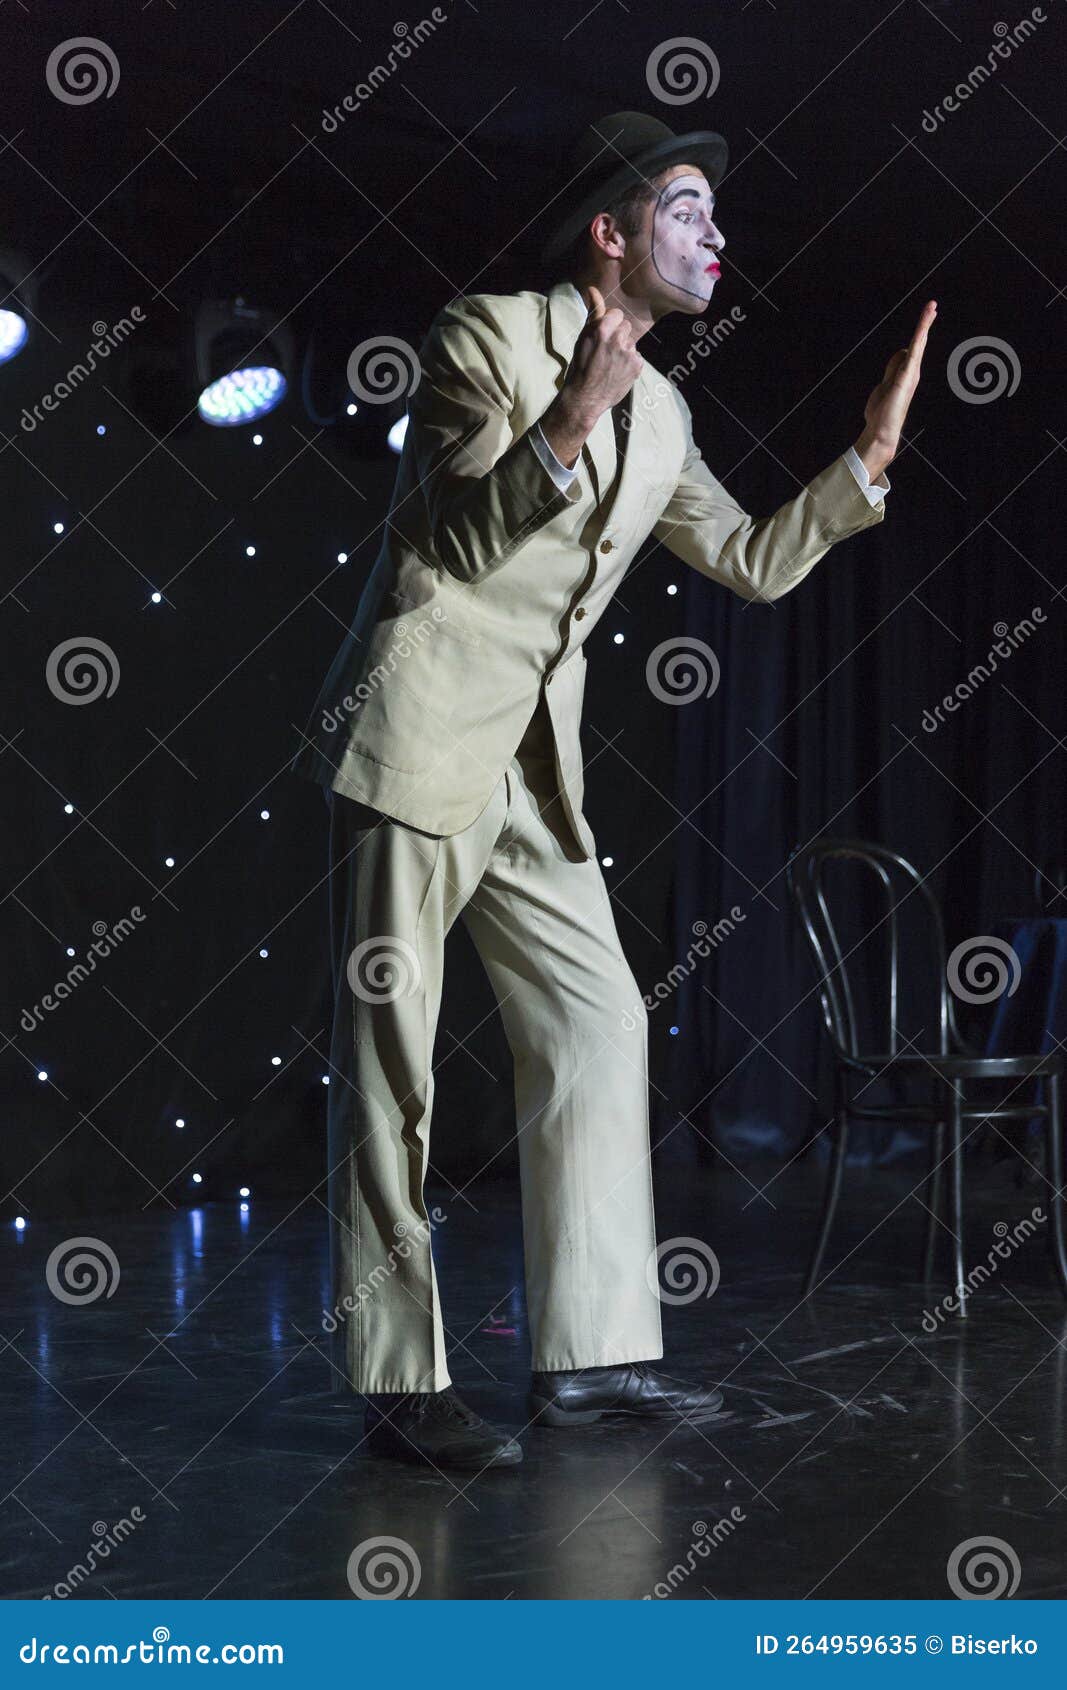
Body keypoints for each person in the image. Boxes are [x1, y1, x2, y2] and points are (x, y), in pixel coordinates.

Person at [290, 110, 935, 1471]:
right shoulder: (488, 338)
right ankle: (400, 1381)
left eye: (718, 219)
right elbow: (453, 534)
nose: (716, 238)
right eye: (690, 210)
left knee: (597, 1027)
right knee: (388, 1068)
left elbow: (752, 560)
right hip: (415, 733)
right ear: (613, 229)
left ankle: (589, 1358)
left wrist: (864, 467)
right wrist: (572, 416)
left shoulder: (673, 409)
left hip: (536, 770)